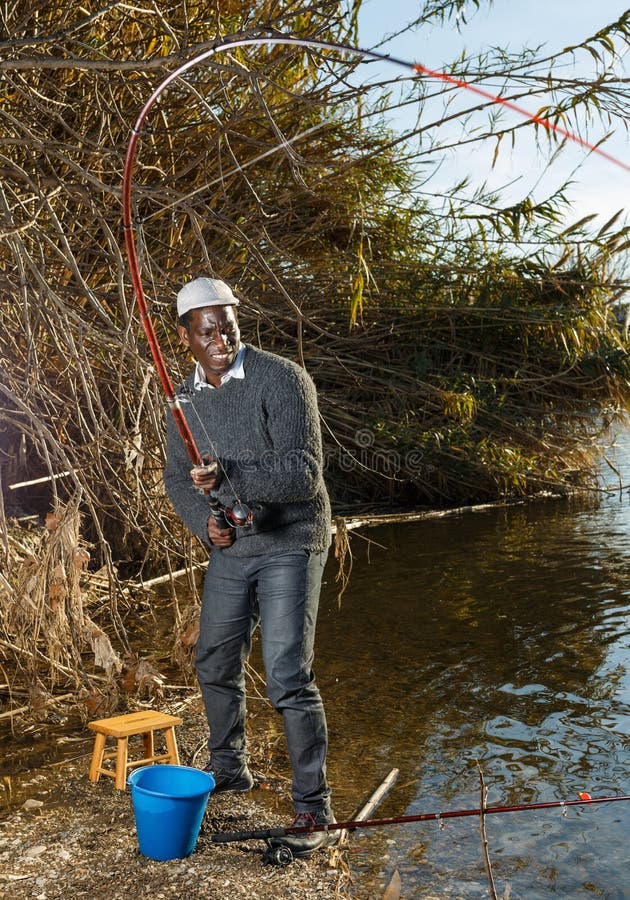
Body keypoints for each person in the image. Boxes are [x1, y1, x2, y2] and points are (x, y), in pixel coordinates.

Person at [163, 276, 336, 857]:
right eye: (206, 329)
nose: (220, 338)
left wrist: (228, 472)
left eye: (228, 325)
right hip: (235, 546)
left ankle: (313, 810)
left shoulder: (282, 378)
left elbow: (302, 473)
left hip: (292, 538)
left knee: (287, 674)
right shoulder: (183, 401)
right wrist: (205, 524)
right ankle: (230, 771)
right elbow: (177, 482)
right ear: (185, 335)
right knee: (214, 658)